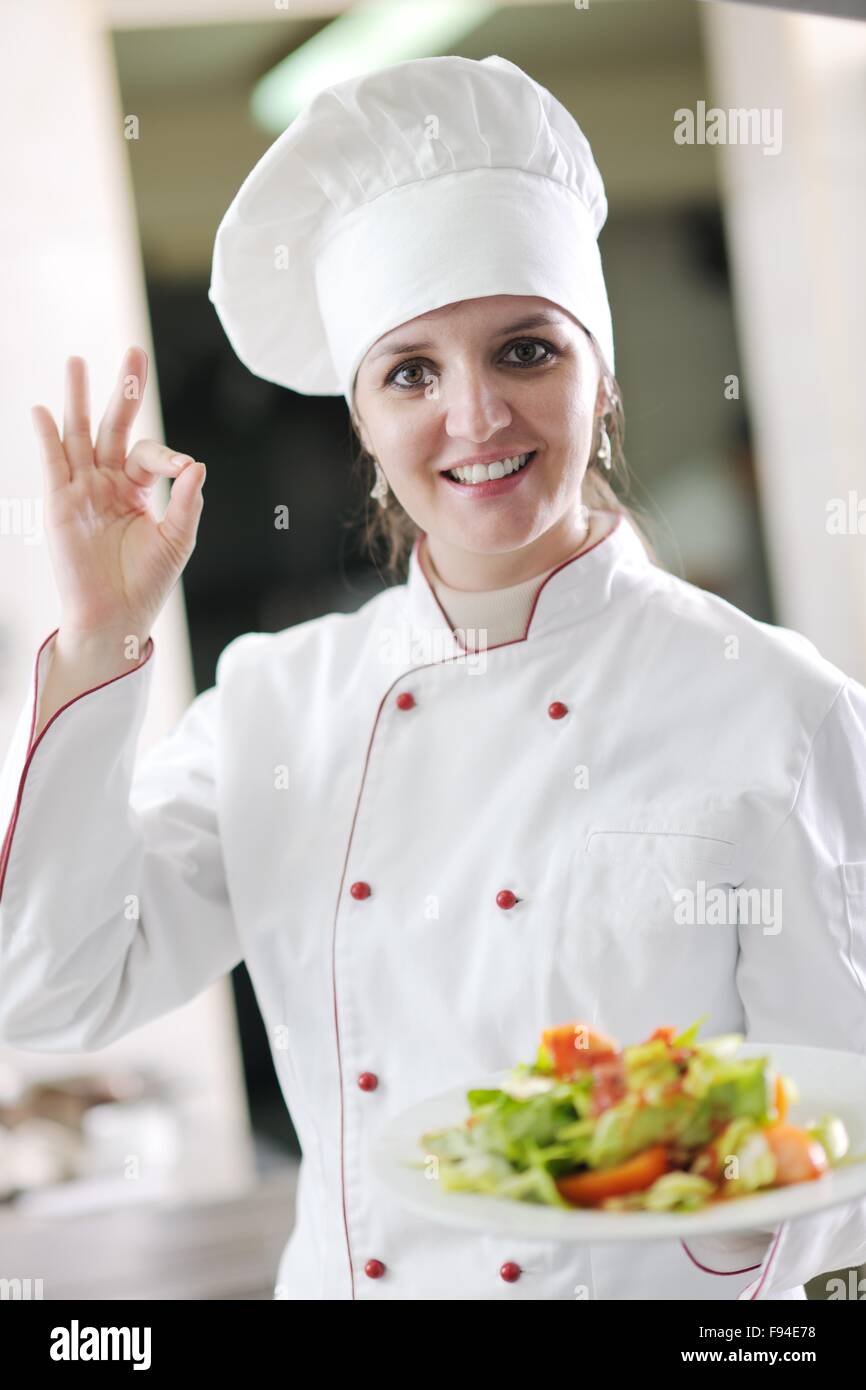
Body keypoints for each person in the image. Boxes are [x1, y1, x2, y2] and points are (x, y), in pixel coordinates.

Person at [1, 54, 865, 1302]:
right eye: (410, 371)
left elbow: (841, 1171)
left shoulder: (777, 709)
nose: (474, 417)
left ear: (600, 377)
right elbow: (51, 990)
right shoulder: (272, 708)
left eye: (524, 350)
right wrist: (98, 638)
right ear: (358, 417)